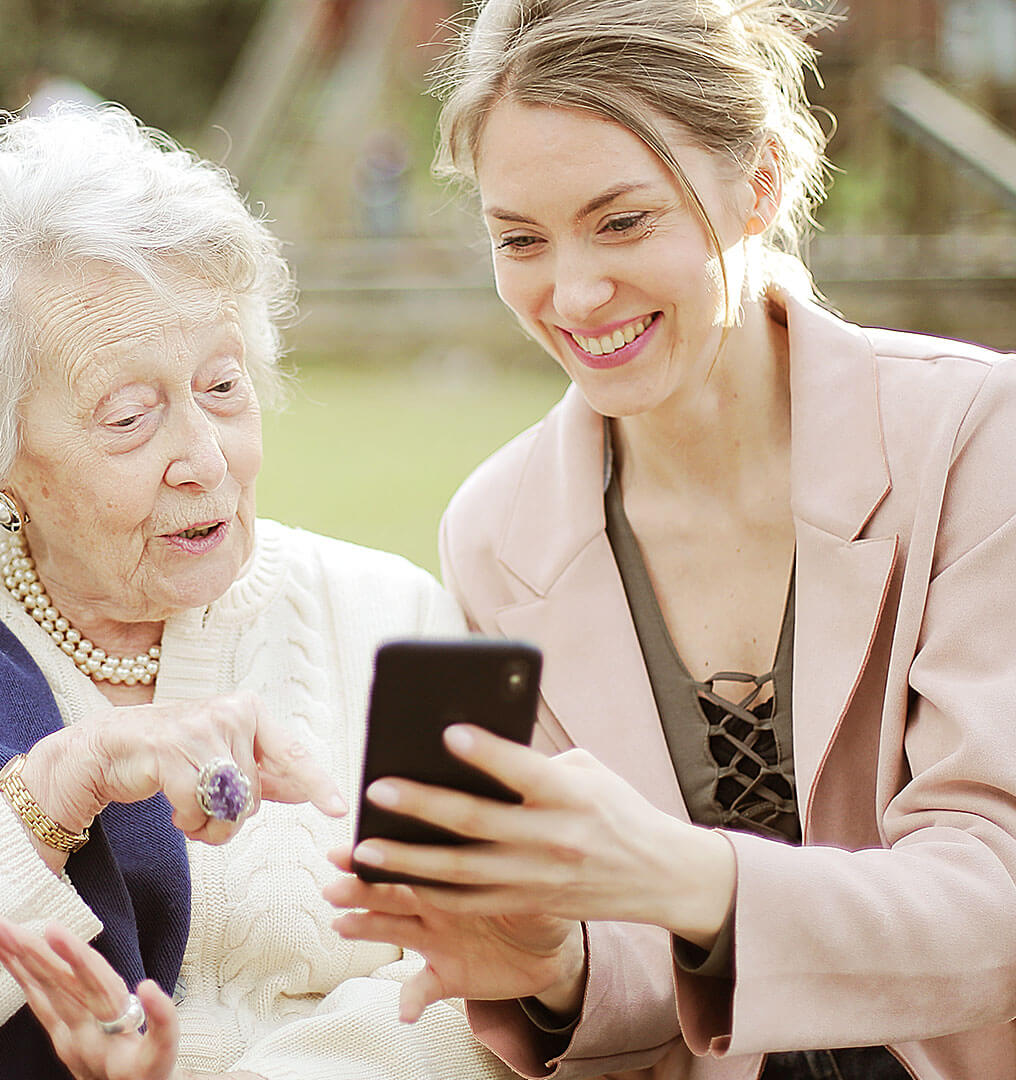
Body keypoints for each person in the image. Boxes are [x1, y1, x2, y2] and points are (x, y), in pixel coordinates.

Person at [0, 106, 517, 1080]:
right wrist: (56, 789)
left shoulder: (384, 618)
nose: (204, 458)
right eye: (129, 415)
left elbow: (484, 982)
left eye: (223, 387)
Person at [323, 3, 1016, 1079]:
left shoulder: (977, 436)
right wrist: (550, 962)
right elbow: (644, 980)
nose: (575, 292)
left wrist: (693, 876)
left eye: (623, 221)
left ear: (762, 185)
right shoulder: (499, 532)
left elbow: (996, 899)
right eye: (520, 239)